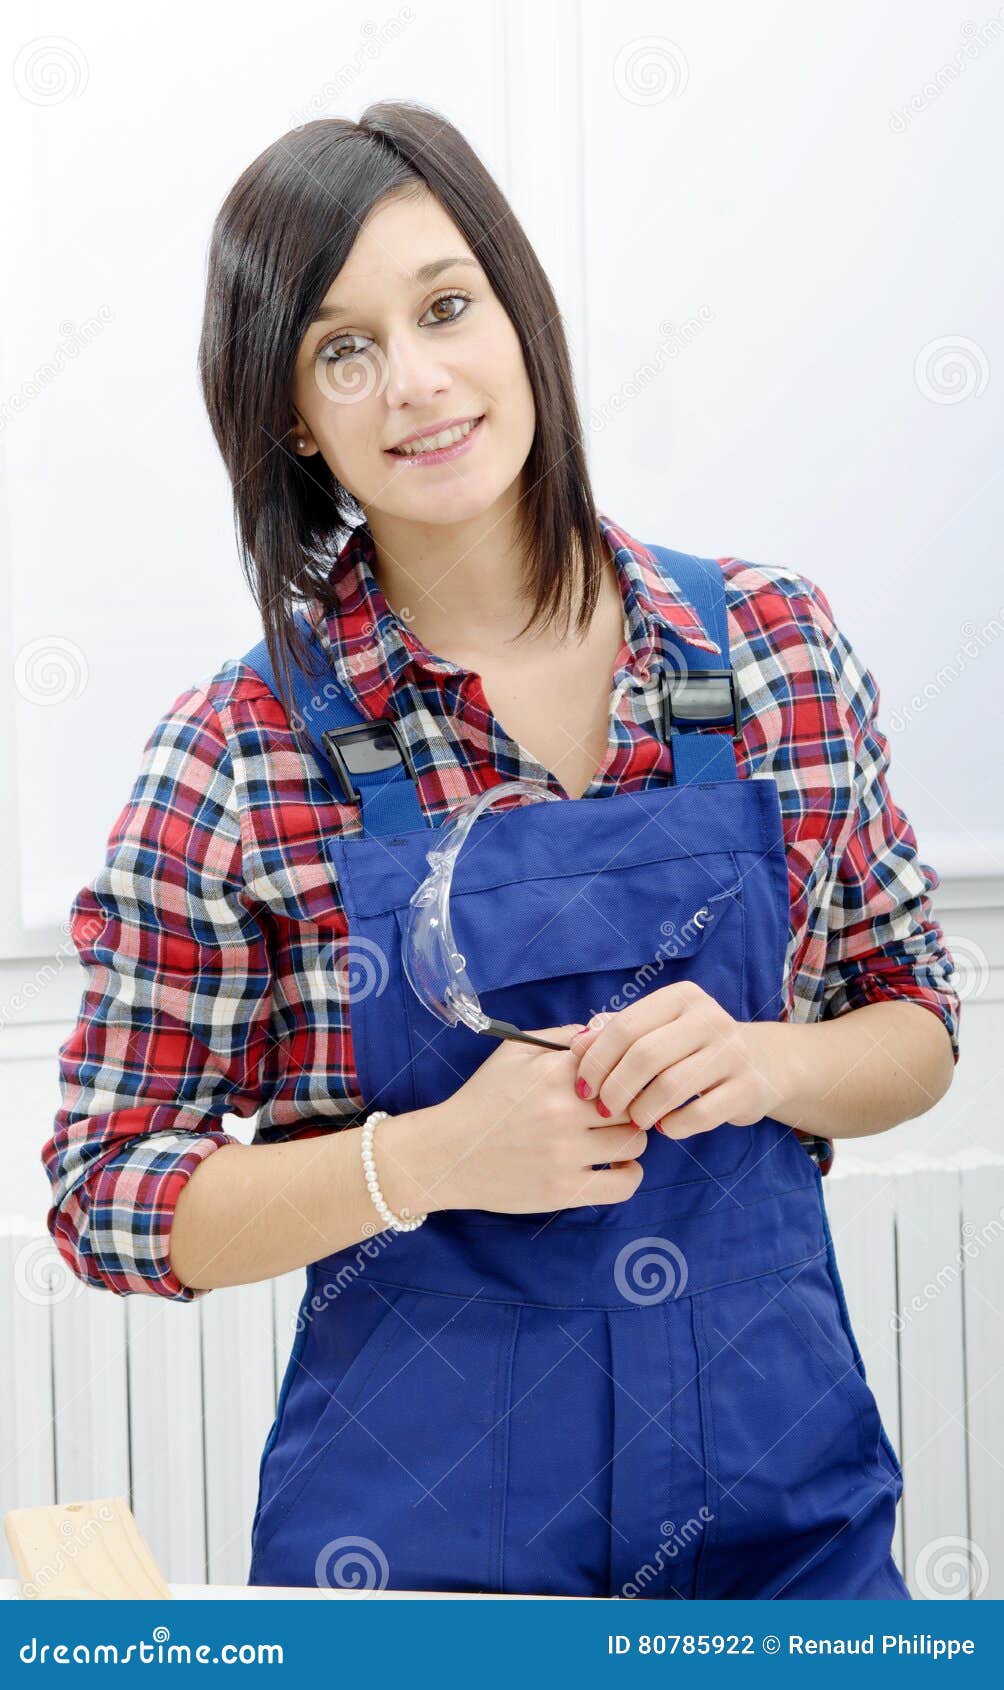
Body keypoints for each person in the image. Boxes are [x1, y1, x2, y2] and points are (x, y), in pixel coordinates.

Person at [43, 102, 959, 1600]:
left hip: (786, 1549)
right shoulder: (238, 757)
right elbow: (108, 1195)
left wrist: (769, 1062)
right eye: (342, 350)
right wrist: (426, 1161)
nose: (414, 382)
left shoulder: (773, 649)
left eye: (446, 306)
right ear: (291, 415)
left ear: (520, 312)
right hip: (417, 1574)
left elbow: (914, 1015)